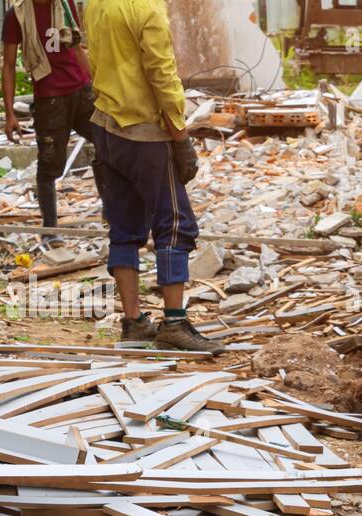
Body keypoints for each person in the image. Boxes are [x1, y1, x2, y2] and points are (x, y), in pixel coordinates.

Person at [82, 0, 223, 353]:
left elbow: (94, 60)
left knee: (124, 228)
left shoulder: (97, 5)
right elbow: (162, 72)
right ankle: (174, 322)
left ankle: (133, 323)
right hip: (145, 133)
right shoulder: (147, 9)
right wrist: (180, 135)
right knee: (175, 223)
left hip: (106, 126)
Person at [1, 0, 95, 227]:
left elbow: (77, 47)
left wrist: (94, 81)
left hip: (81, 90)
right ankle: (50, 228)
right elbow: (9, 65)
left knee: (107, 143)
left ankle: (112, 216)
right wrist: (10, 114)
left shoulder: (65, 5)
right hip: (49, 97)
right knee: (49, 163)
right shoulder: (17, 15)